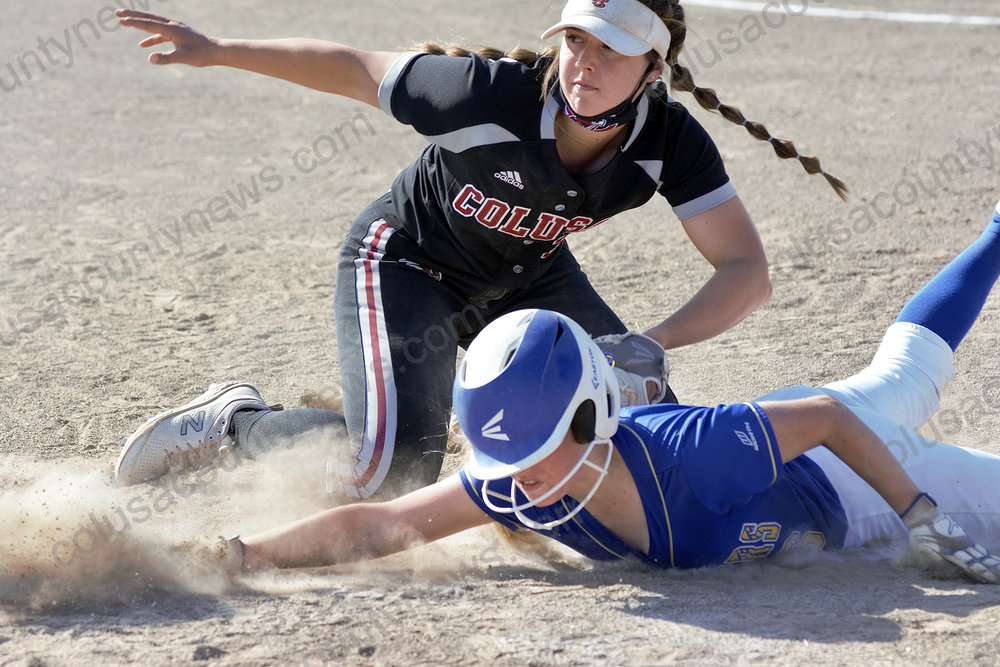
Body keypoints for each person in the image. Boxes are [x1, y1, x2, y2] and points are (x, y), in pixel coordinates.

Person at [112, 1, 845, 503]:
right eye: (577, 39)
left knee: (643, 429)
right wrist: (218, 51)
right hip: (405, 263)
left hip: (528, 275)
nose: (584, 63)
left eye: (612, 49)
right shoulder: (487, 95)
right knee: (392, 477)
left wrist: (644, 343)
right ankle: (234, 422)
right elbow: (353, 66)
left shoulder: (668, 140)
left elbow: (747, 273)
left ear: (654, 68)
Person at [213, 199, 1000, 583]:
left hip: (847, 480)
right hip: (801, 439)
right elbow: (384, 522)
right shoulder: (524, 476)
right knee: (900, 377)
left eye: (536, 450)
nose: (520, 474)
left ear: (592, 419)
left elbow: (828, 419)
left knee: (903, 387)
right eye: (507, 455)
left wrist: (919, 515)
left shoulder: (689, 452)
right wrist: (240, 554)